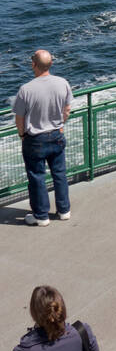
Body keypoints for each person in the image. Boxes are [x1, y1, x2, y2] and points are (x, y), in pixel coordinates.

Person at [13, 50, 74, 226]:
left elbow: (19, 118)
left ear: (34, 65)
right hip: (56, 135)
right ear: (50, 64)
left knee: (37, 177)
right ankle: (64, 210)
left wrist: (22, 134)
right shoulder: (62, 83)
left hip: (35, 139)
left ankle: (41, 216)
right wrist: (60, 124)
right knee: (60, 174)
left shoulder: (26, 89)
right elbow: (67, 109)